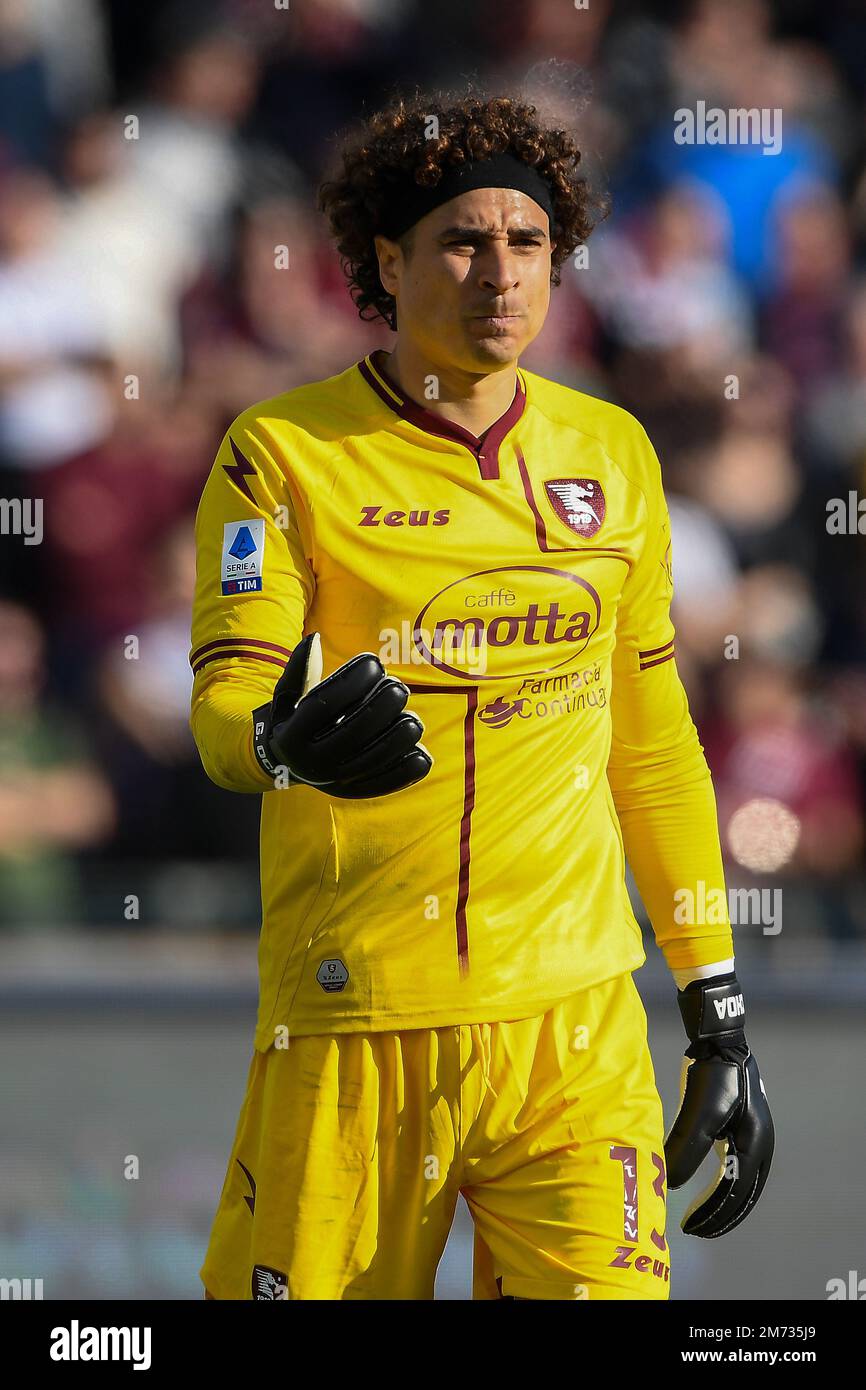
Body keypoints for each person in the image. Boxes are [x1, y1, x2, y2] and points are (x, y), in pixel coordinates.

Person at [189, 91, 773, 1301]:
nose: (498, 274)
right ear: (387, 260)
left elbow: (652, 746)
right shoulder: (281, 452)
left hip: (574, 1021)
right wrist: (278, 744)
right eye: (461, 240)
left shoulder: (612, 451)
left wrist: (712, 1001)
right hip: (356, 1017)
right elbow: (227, 708)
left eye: (526, 244)